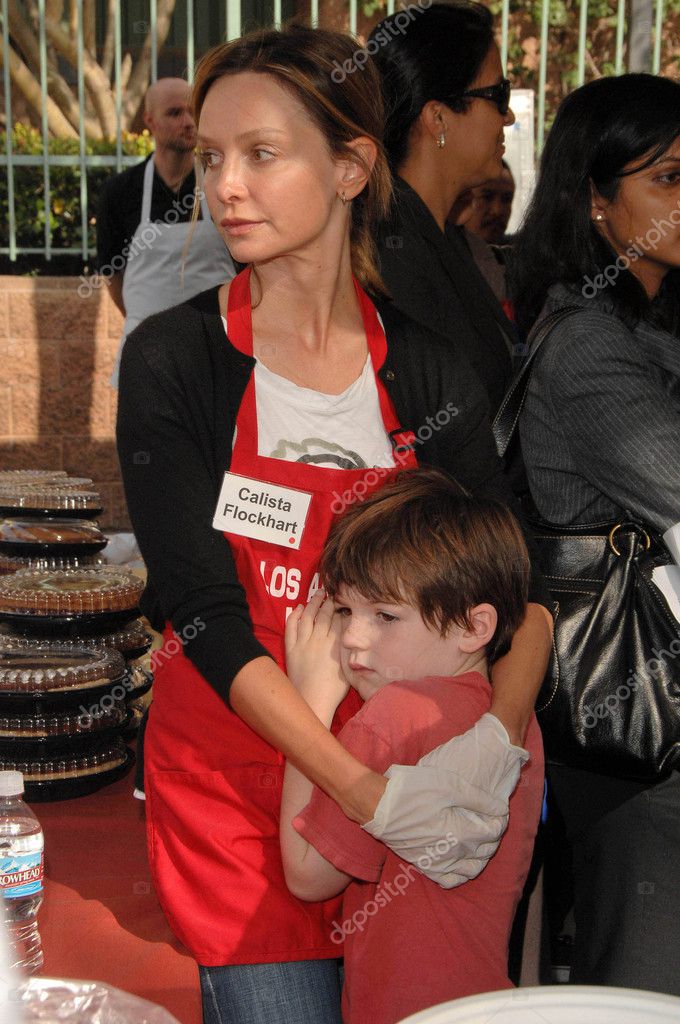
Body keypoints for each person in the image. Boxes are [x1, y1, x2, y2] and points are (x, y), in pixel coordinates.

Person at [116, 24, 553, 1024]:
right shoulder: (175, 363)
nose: (225, 184)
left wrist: (486, 751)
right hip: (245, 802)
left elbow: (513, 594)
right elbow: (200, 610)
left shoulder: (426, 370)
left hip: (412, 820)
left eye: (261, 155)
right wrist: (354, 787)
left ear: (352, 165)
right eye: (215, 156)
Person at [512, 72, 680, 994]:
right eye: (670, 178)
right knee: (649, 982)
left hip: (654, 711)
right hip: (637, 721)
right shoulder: (587, 344)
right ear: (596, 201)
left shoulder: (646, 322)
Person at [281, 468, 544, 1024]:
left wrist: (308, 707)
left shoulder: (394, 715)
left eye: (386, 616)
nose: (351, 637)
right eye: (347, 610)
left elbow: (308, 875)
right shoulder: (512, 718)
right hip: (483, 998)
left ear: (474, 628)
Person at [369, 2, 518, 415]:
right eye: (497, 94)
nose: (506, 116)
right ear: (437, 117)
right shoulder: (390, 253)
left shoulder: (442, 234)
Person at [96, 77, 235, 385]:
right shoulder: (121, 193)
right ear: (149, 121)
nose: (188, 122)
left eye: (192, 112)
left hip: (218, 354)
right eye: (174, 113)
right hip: (146, 356)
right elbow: (112, 274)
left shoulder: (221, 185)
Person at [465, 159, 516, 245]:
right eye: (487, 197)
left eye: (506, 199)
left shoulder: (518, 253)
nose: (497, 210)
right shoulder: (439, 254)